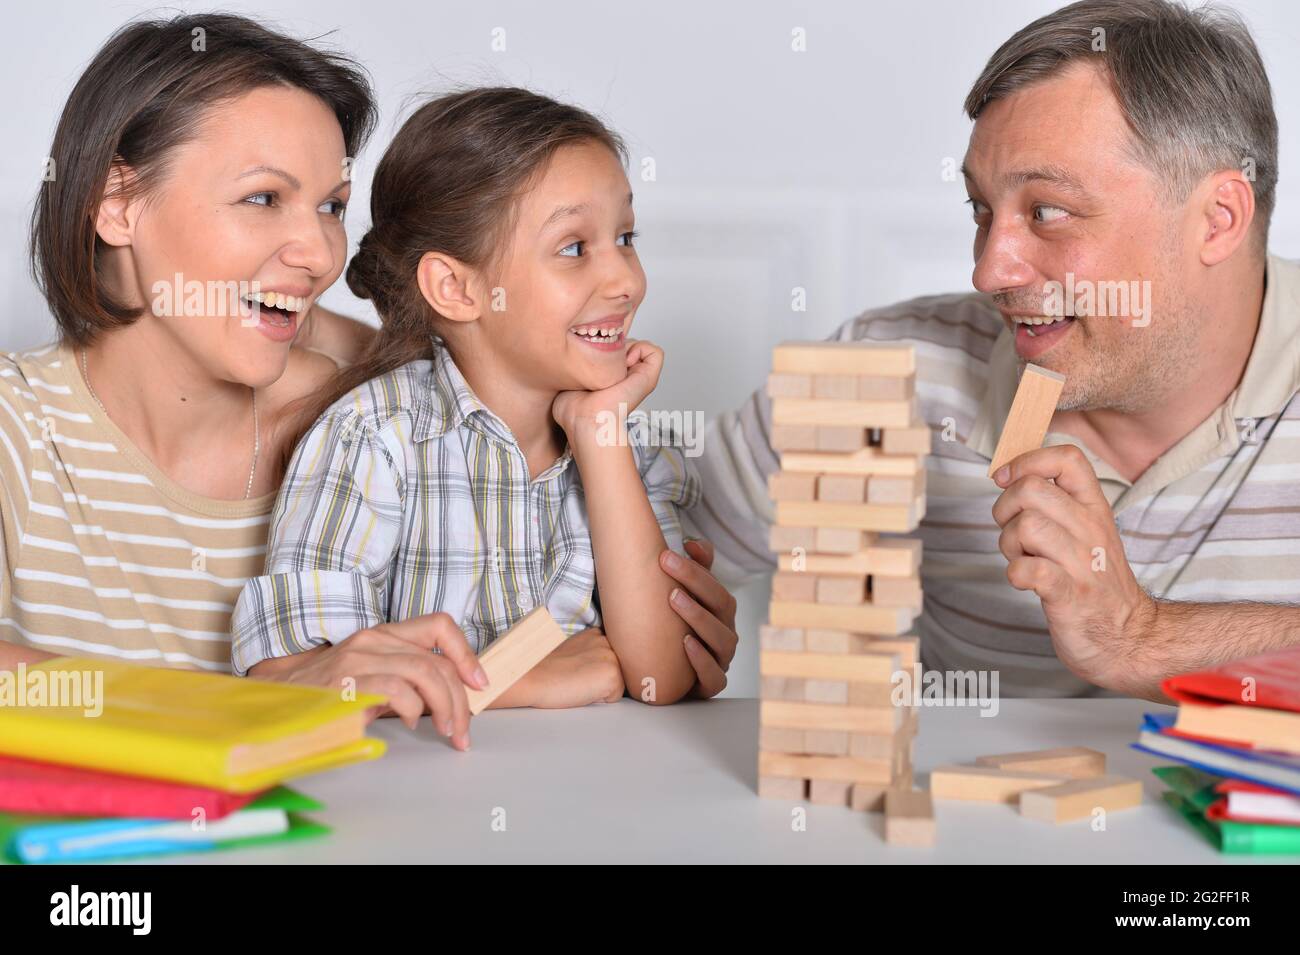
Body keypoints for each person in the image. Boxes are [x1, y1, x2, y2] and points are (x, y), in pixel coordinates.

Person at [690, 0, 1300, 700]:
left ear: (1218, 219)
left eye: (1046, 211)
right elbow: (643, 567)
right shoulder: (889, 375)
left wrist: (1140, 634)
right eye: (982, 211)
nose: (990, 271)